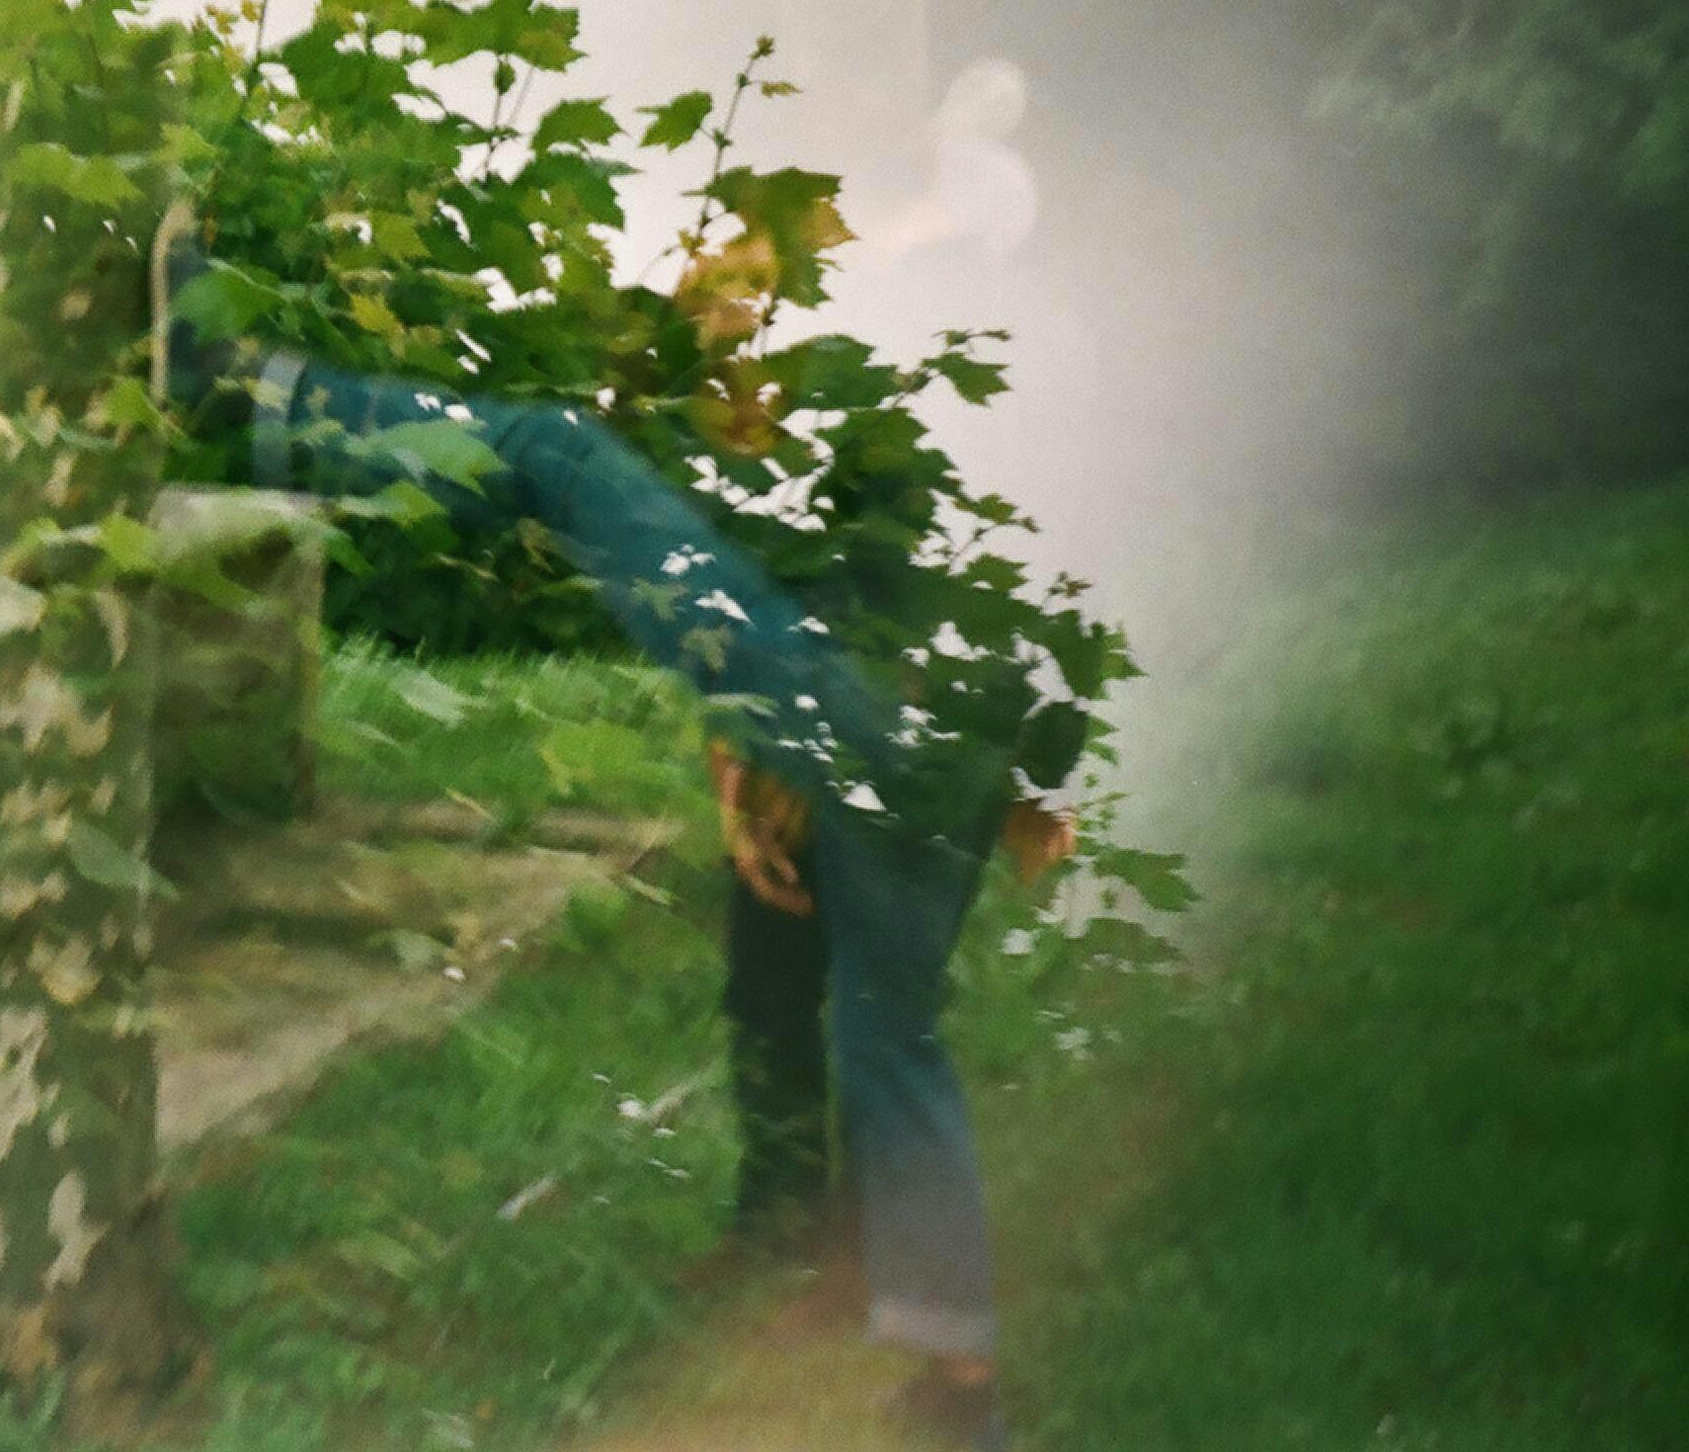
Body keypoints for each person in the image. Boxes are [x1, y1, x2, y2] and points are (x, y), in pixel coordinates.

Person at [153, 207, 1072, 1450]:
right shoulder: (805, 447)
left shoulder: (871, 411)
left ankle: (245, 386)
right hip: (933, 751)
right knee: (851, 1007)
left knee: (551, 449)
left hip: (889, 719)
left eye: (748, 288)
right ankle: (941, 1368)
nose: (716, 313)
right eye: (709, 289)